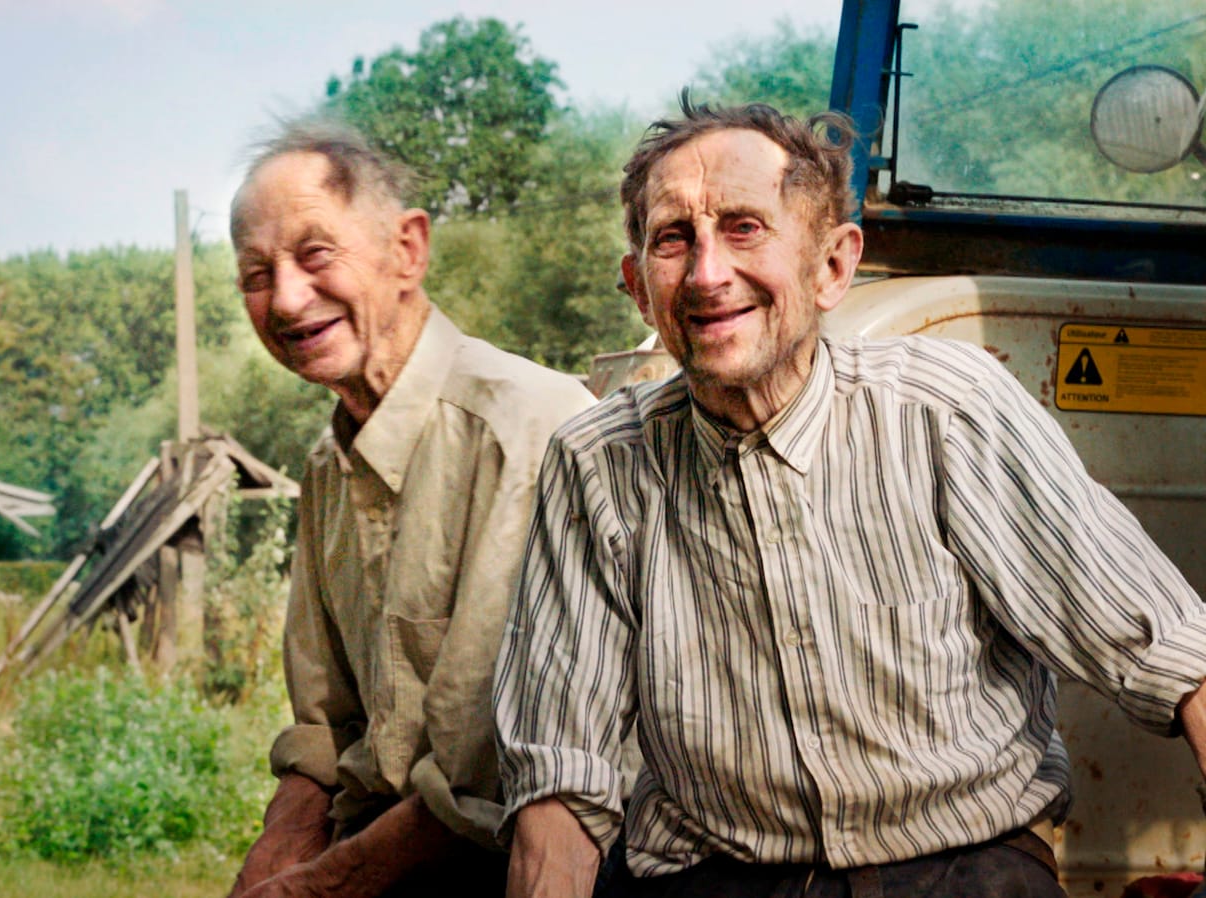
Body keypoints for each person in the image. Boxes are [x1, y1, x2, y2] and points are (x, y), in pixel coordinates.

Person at [494, 96, 1206, 898]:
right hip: (715, 876)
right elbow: (560, 777)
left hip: (958, 870)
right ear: (637, 288)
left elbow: (1175, 652)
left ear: (832, 265)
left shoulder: (944, 411)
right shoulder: (598, 462)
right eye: (673, 239)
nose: (706, 274)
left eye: (743, 227)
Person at [225, 118, 598, 898]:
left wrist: (320, 885)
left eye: (315, 253)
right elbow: (325, 720)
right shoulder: (330, 460)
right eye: (257, 274)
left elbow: (487, 767)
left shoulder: (526, 426)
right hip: (382, 847)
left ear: (408, 251)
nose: (287, 299)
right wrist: (281, 840)